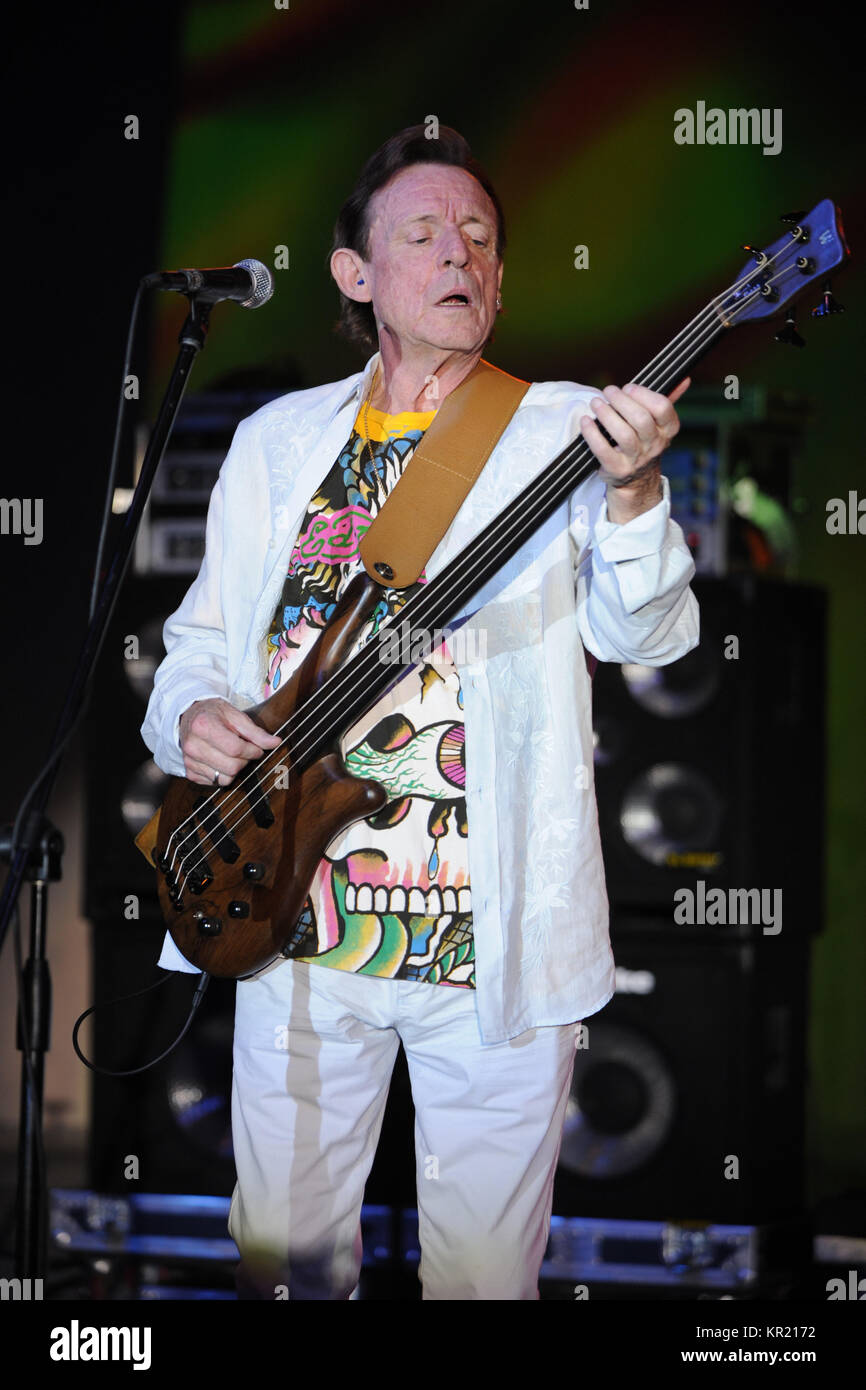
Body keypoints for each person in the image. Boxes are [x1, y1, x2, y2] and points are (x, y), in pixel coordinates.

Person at [141, 124, 699, 1300]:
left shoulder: (562, 428)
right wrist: (189, 713)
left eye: (480, 237)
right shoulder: (275, 442)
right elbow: (195, 650)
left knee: (483, 1283)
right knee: (283, 1270)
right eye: (423, 232)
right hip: (289, 910)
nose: (460, 252)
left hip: (492, 941)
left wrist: (639, 492)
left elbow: (645, 638)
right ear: (356, 275)